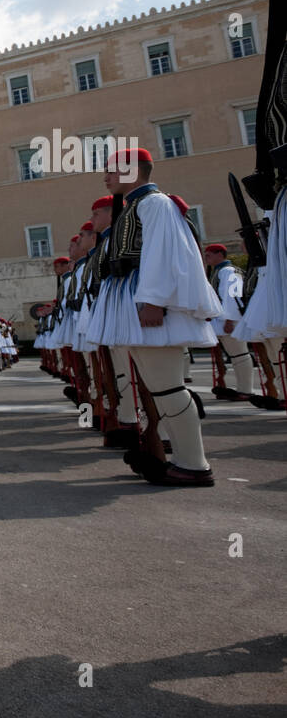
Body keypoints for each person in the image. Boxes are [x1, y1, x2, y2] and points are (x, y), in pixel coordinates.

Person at [85, 148, 221, 485]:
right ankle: (181, 458)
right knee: (157, 388)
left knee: (168, 388)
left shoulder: (155, 203)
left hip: (149, 305)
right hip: (136, 302)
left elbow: (164, 254)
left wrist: (154, 301)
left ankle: (194, 464)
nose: (107, 176)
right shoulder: (134, 206)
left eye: (112, 170)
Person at [203, 243, 257, 401]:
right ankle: (242, 388)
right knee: (236, 356)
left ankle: (246, 389)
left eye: (209, 255)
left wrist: (230, 320)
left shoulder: (228, 271)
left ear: (220, 254)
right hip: (222, 320)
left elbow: (233, 296)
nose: (206, 258)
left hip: (229, 320)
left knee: (240, 355)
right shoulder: (219, 271)